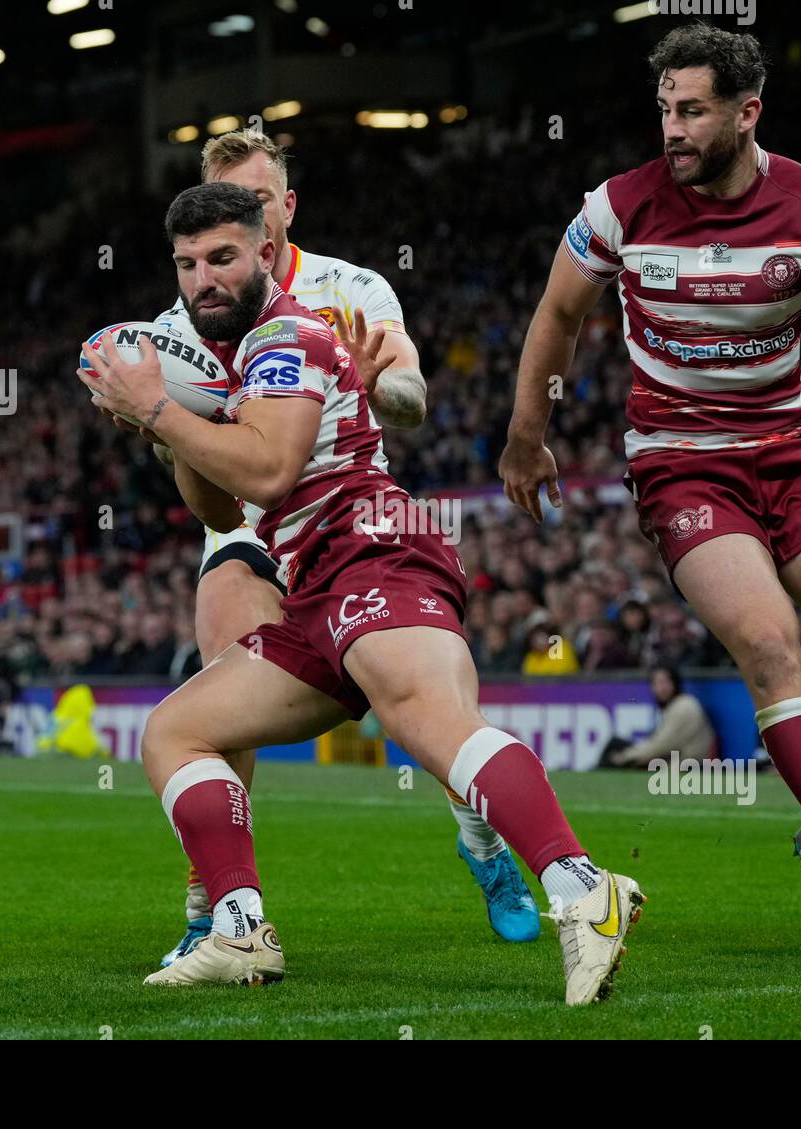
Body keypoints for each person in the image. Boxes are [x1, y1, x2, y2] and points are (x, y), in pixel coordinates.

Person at [78, 182, 643, 1004]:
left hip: (372, 551)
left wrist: (159, 407)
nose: (203, 278)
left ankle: (582, 888)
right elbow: (224, 507)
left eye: (223, 257)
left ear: (265, 254)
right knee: (175, 731)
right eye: (187, 264)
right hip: (314, 586)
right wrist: (166, 435)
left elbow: (272, 470)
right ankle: (240, 929)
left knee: (430, 721)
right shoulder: (232, 359)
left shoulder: (286, 335)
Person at [499, 22, 801, 949]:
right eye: (664, 110)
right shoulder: (618, 208)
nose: (674, 129)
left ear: (747, 111)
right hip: (682, 463)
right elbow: (557, 315)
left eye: (692, 111)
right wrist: (526, 438)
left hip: (794, 454)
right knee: (770, 642)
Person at [150, 130, 537, 965]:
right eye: (219, 204)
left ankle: (482, 837)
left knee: (425, 707)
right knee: (221, 689)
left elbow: (413, 397)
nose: (234, 223)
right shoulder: (182, 318)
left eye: (251, 203)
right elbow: (192, 464)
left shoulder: (350, 289)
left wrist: (364, 381)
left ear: (283, 209)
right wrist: (159, 429)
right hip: (251, 528)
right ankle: (221, 907)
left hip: (347, 516)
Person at [598, 667, 715, 769]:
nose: (661, 688)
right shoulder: (675, 706)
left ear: (675, 683)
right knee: (616, 743)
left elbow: (660, 747)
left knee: (616, 752)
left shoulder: (684, 707)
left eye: (664, 682)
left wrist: (625, 757)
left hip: (687, 765)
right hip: (673, 759)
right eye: (656, 683)